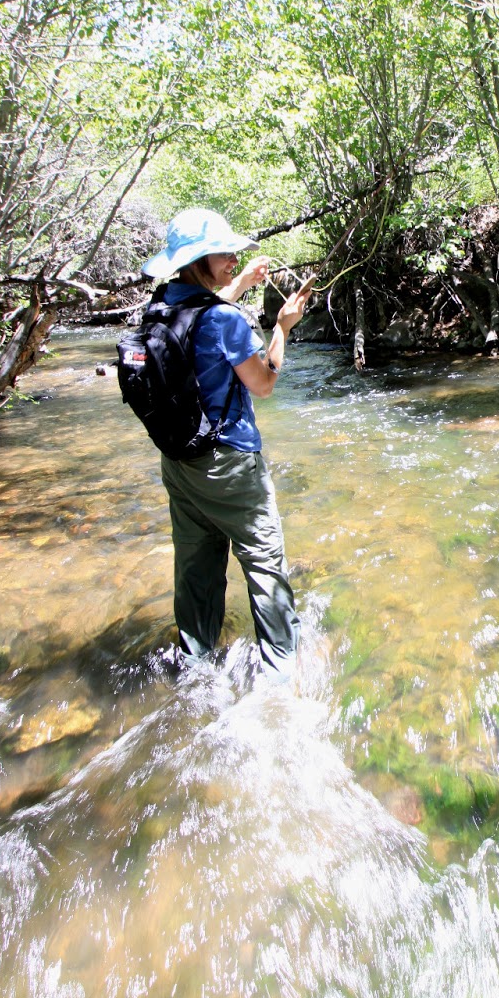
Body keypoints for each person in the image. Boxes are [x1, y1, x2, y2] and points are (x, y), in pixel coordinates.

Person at [141, 207, 314, 676]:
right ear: (200, 259)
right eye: (225, 254)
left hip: (179, 460)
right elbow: (263, 383)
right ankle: (282, 675)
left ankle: (194, 667)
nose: (233, 260)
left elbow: (202, 316)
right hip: (230, 466)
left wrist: (236, 289)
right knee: (264, 563)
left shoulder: (162, 306)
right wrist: (282, 328)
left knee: (196, 569)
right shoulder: (227, 320)